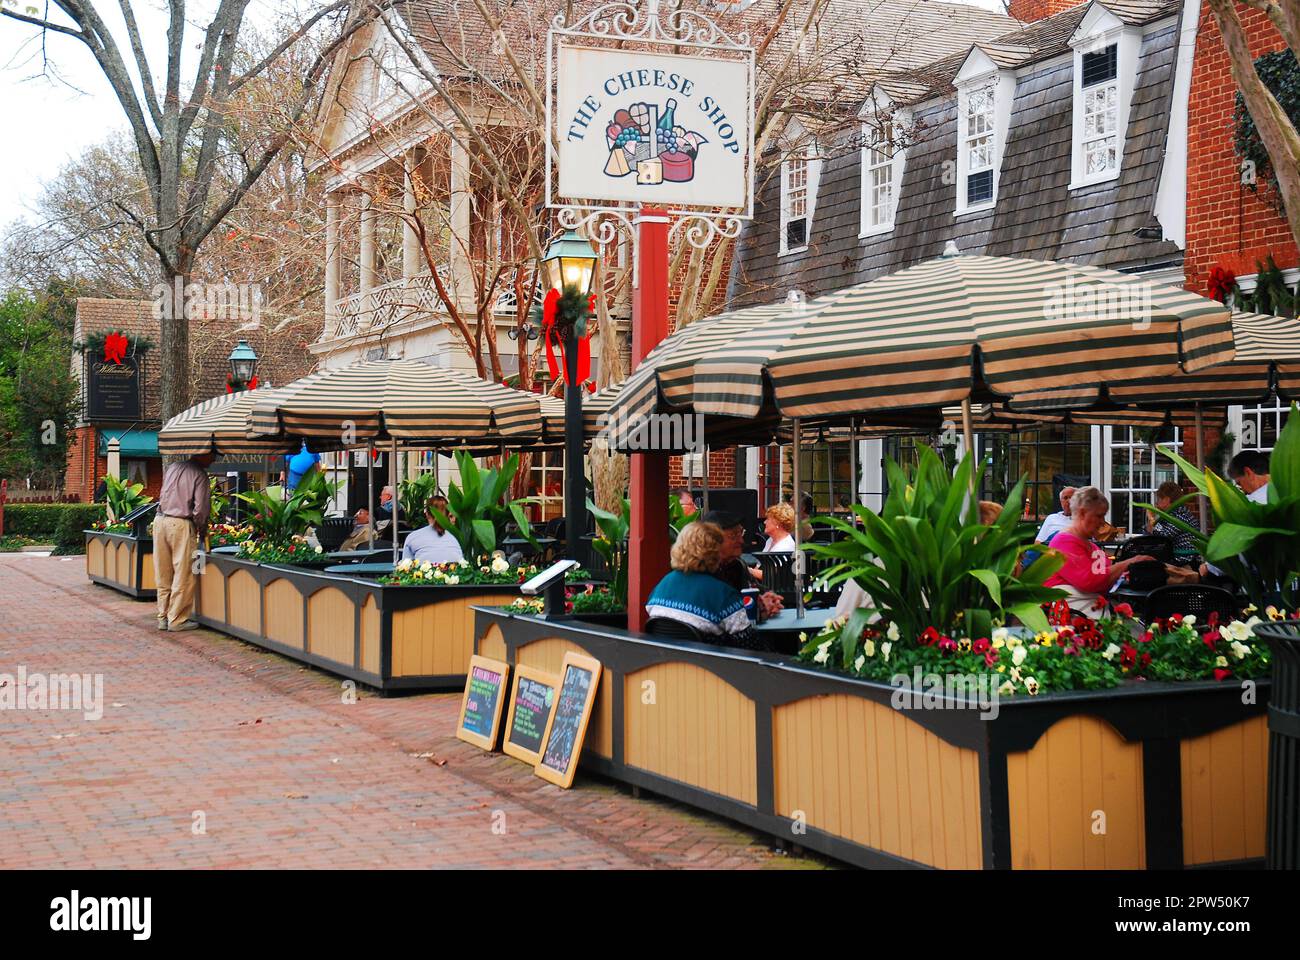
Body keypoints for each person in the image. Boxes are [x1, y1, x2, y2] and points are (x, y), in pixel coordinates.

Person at [1043, 487, 1156, 615]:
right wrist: (1128, 563)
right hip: (1071, 619)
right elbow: (1090, 581)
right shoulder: (1063, 542)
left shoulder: (1091, 546)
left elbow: (1105, 577)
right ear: (1082, 513)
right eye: (1099, 516)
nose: (1102, 522)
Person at [646, 521, 757, 645]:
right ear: (714, 552)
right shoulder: (721, 593)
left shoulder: (663, 583)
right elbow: (750, 642)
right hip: (708, 662)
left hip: (667, 661)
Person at [154, 454, 212, 632]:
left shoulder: (173, 467)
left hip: (160, 520)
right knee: (184, 573)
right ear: (203, 454)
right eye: (213, 456)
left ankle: (163, 616)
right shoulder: (200, 475)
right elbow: (200, 509)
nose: (214, 460)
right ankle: (177, 619)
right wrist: (202, 531)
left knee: (163, 572)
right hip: (181, 524)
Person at [1199, 450, 1271, 580]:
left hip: (1265, 586)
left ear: (1248, 472)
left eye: (1239, 483)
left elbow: (1236, 549)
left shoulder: (1250, 505)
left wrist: (1209, 567)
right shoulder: (1286, 492)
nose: (1241, 489)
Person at [702, 509, 783, 619]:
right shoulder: (702, 572)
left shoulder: (737, 565)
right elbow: (724, 614)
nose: (741, 541)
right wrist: (761, 609)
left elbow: (755, 588)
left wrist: (769, 598)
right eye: (734, 535)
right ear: (712, 541)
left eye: (741, 533)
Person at [402, 495, 465, 564]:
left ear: (427, 514)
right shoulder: (455, 538)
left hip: (424, 573)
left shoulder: (413, 537)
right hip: (454, 573)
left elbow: (405, 566)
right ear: (448, 515)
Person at [1148, 480, 1198, 559]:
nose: (1157, 502)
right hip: (1174, 555)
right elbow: (1150, 532)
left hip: (1184, 557)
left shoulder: (1180, 515)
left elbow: (1162, 537)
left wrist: (1151, 518)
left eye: (1159, 498)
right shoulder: (1170, 514)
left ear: (1167, 500)